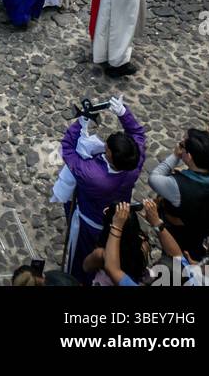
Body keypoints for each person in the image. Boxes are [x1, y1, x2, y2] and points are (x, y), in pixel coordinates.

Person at [56, 94, 145, 280]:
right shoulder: (134, 164)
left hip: (90, 224)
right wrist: (123, 113)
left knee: (81, 263)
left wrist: (81, 123)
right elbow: (137, 134)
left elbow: (68, 150)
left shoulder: (93, 175)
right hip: (115, 220)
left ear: (110, 155)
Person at [148, 128, 209, 261]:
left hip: (178, 241)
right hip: (204, 239)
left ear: (189, 156)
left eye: (182, 145)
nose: (179, 146)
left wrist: (175, 156)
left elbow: (154, 178)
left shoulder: (178, 186)